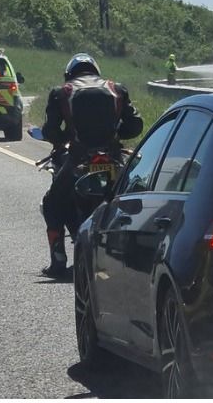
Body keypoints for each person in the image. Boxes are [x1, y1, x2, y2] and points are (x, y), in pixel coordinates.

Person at [40, 53, 143, 278]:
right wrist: (117, 135)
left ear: (69, 73)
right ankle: (138, 254)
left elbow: (49, 130)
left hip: (78, 156)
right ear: (95, 70)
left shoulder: (61, 92)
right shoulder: (117, 88)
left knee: (52, 202)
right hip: (113, 156)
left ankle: (58, 260)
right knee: (136, 194)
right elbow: (135, 125)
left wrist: (62, 140)